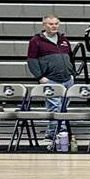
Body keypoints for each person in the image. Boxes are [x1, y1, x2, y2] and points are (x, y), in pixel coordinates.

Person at [27, 15, 75, 146]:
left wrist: (72, 73)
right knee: (55, 107)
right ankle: (58, 134)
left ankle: (52, 132)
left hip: (67, 79)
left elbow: (70, 57)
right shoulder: (36, 41)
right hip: (51, 80)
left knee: (63, 107)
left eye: (56, 24)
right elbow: (31, 60)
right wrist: (40, 77)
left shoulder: (64, 40)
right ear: (44, 25)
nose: (54, 26)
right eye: (50, 24)